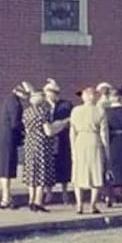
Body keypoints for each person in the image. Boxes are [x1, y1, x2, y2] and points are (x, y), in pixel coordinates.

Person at [21, 86, 69, 212]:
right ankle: (38, 201)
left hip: (30, 143)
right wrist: (62, 124)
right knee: (42, 172)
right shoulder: (43, 112)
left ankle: (30, 200)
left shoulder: (26, 112)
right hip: (42, 144)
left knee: (32, 172)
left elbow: (26, 129)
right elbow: (49, 131)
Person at [70, 85, 110, 215]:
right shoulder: (100, 111)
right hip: (94, 140)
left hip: (80, 141)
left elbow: (72, 131)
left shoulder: (75, 111)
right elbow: (104, 133)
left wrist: (72, 149)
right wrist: (106, 150)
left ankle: (79, 205)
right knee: (96, 172)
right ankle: (93, 205)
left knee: (78, 174)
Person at [0, 81, 31, 209]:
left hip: (4, 138)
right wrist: (26, 131)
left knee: (5, 169)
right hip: (8, 139)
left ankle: (6, 197)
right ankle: (5, 198)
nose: (27, 98)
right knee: (6, 169)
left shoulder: (9, 100)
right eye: (26, 95)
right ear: (20, 92)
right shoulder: (15, 103)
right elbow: (15, 123)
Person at [44, 78, 74, 206]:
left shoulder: (65, 105)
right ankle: (48, 192)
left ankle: (64, 192)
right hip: (47, 140)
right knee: (48, 166)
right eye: (52, 92)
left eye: (57, 92)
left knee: (63, 166)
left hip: (62, 139)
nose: (55, 95)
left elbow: (71, 120)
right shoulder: (43, 106)